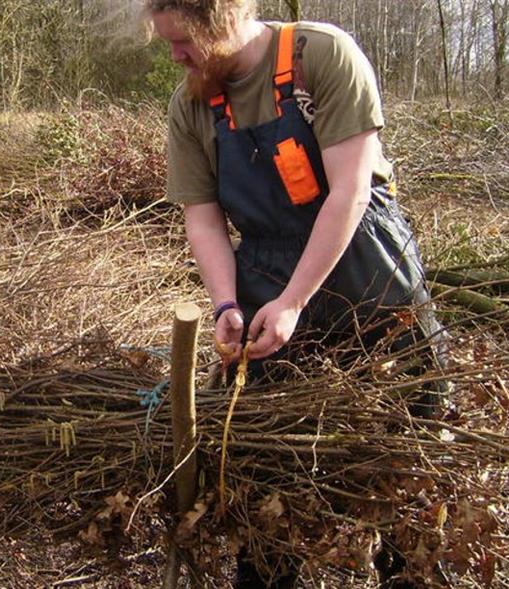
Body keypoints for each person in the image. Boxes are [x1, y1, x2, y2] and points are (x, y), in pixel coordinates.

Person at [147, 1, 445, 588]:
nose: (177, 56)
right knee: (264, 455)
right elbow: (203, 218)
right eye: (168, 43)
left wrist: (294, 301)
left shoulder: (318, 57)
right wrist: (229, 305)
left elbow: (350, 193)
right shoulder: (191, 105)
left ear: (221, 19)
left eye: (184, 41)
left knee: (406, 439)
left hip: (366, 265)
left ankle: (406, 570)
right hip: (264, 266)